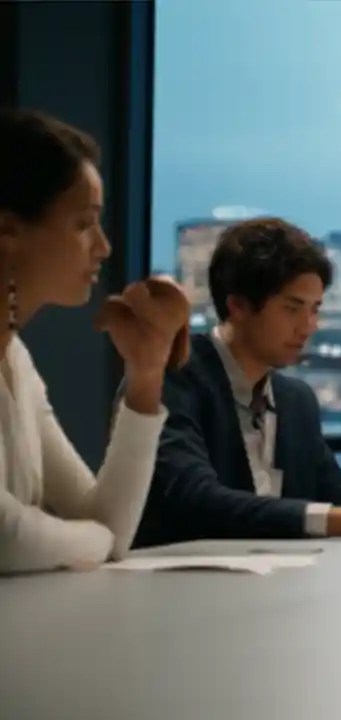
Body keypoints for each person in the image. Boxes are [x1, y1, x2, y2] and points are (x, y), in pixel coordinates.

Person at [134, 218, 341, 546]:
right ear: (238, 306)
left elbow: (340, 496)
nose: (309, 326)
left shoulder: (294, 400)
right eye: (292, 309)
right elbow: (197, 501)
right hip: (177, 589)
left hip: (273, 588)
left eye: (315, 310)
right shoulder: (173, 377)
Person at [0, 109, 189, 573]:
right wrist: (96, 539)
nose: (103, 246)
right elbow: (8, 537)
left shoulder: (15, 359)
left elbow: (108, 526)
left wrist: (145, 376)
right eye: (84, 223)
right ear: (8, 230)